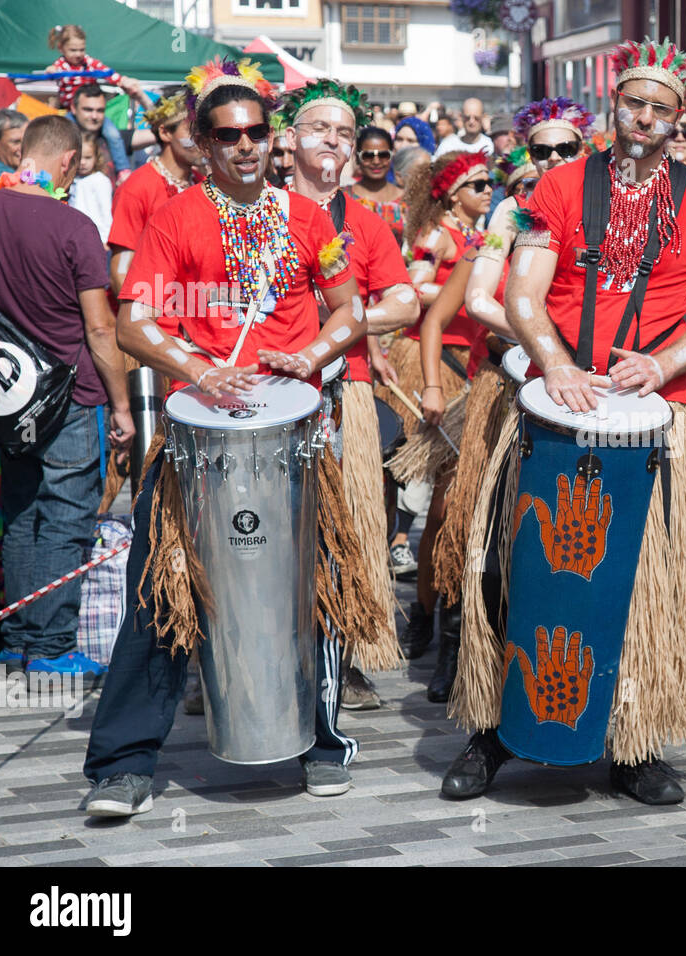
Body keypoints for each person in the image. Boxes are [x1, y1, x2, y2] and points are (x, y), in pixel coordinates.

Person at [444, 37, 686, 805]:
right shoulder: (565, 184)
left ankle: (632, 746)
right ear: (615, 107)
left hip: (651, 413)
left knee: (641, 583)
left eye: (660, 109)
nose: (643, 118)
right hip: (554, 406)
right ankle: (492, 733)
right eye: (633, 103)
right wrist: (558, 363)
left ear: (680, 121)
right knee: (516, 569)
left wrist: (664, 363)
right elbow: (520, 295)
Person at [81, 57, 375, 817]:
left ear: (270, 139)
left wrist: (310, 356)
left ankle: (321, 743)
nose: (244, 146)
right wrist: (199, 370)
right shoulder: (174, 219)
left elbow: (349, 312)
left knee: (317, 587)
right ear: (203, 146)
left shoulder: (310, 220)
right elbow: (133, 323)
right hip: (197, 438)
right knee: (160, 593)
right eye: (226, 135)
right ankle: (124, 764)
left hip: (297, 429)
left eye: (254, 133)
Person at [427, 97, 593, 660]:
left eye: (565, 148)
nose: (552, 159)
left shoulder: (604, 205)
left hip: (591, 390)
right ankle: (461, 651)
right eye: (540, 150)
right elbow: (477, 300)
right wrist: (551, 343)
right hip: (514, 385)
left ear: (585, 148)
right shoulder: (508, 213)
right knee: (488, 522)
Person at [281, 79, 420, 710]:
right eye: (319, 128)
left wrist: (340, 319)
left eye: (344, 131)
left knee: (352, 529)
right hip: (268, 394)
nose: (334, 141)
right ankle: (251, 656)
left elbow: (406, 300)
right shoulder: (261, 212)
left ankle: (341, 657)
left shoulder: (364, 222)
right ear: (287, 140)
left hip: (348, 394)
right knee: (274, 533)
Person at [0, 113, 133, 682]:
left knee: (20, 510)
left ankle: (17, 642)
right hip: (70, 393)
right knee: (67, 514)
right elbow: (99, 329)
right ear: (68, 162)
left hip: (6, 394)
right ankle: (50, 647)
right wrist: (121, 405)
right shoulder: (74, 227)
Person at [390, 149, 494, 695]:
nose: (488, 191)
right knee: (443, 510)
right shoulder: (443, 237)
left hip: (488, 378)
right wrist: (463, 297)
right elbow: (413, 287)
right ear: (453, 192)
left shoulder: (488, 240)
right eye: (478, 183)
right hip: (449, 373)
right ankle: (433, 621)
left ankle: (467, 630)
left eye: (491, 182)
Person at [106, 92, 202, 296]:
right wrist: (141, 323)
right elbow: (120, 274)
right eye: (191, 129)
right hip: (155, 316)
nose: (200, 138)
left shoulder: (202, 184)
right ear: (165, 133)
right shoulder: (137, 188)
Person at [46, 25, 142, 179]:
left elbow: (107, 72)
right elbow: (52, 70)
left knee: (113, 134)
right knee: (61, 135)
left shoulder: (88, 62)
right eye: (73, 50)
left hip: (88, 100)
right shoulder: (61, 65)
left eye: (81, 49)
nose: (78, 54)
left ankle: (123, 169)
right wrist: (52, 71)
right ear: (61, 48)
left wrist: (122, 80)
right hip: (70, 110)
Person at [345, 125, 406, 244]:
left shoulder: (408, 199)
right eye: (368, 156)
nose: (376, 161)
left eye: (383, 155)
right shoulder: (344, 198)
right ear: (358, 157)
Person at [67, 132, 113, 244]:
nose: (82, 162)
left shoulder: (100, 180)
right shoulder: (71, 179)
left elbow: (106, 212)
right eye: (79, 158)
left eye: (88, 158)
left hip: (96, 238)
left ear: (96, 157)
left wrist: (105, 239)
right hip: (75, 236)